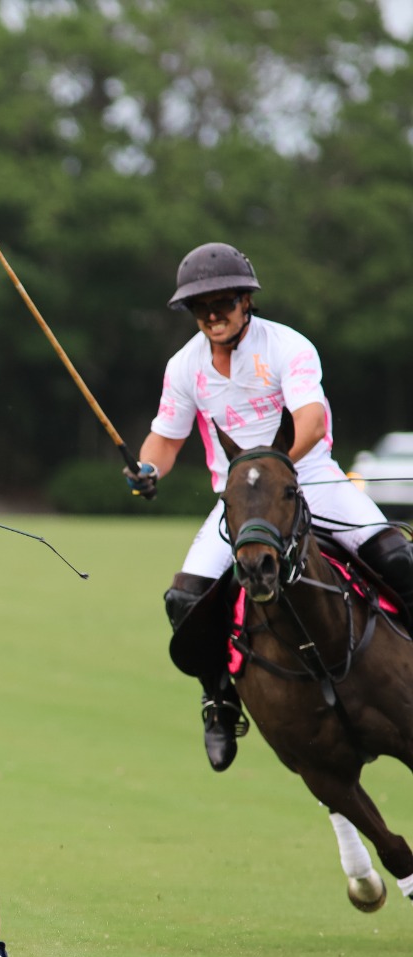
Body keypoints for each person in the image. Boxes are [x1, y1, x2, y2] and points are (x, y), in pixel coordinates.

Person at [129, 242, 413, 771]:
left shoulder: (287, 347)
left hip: (311, 482)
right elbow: (164, 440)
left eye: (222, 303)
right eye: (201, 306)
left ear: (245, 301)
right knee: (184, 601)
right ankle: (219, 699)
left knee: (397, 557)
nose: (212, 315)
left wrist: (276, 465)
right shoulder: (184, 366)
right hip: (239, 504)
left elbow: (313, 421)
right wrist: (147, 470)